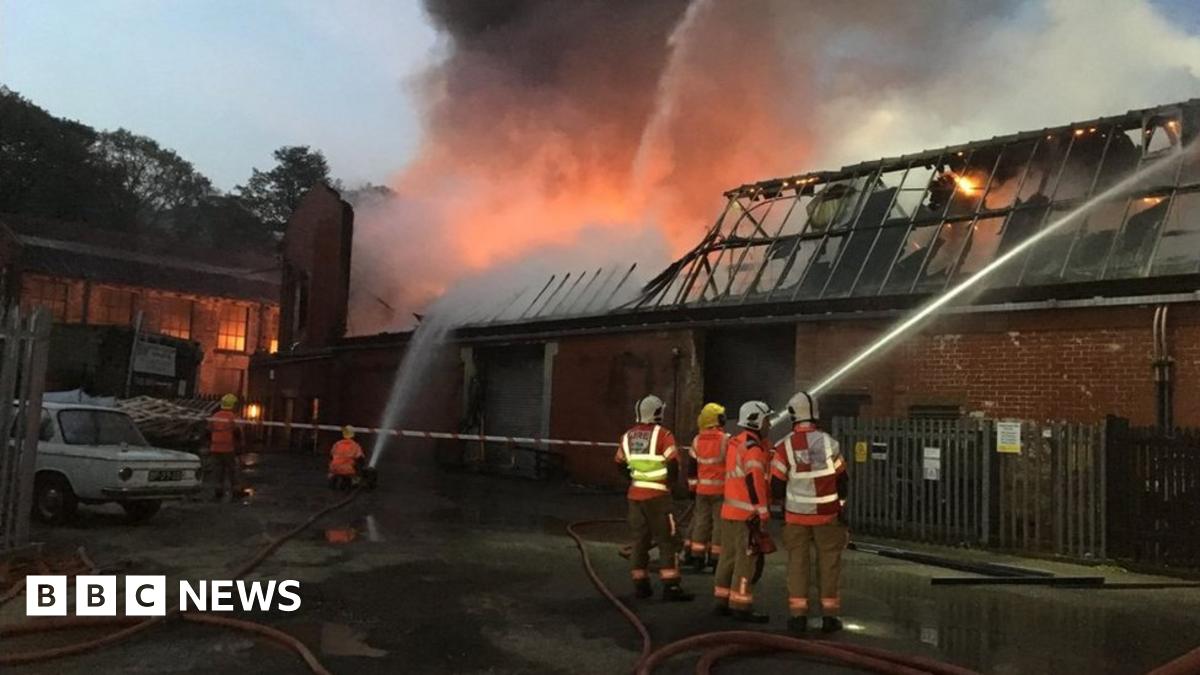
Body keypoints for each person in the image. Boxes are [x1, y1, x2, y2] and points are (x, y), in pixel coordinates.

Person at [770, 391, 849, 635]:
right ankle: (829, 617)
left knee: (797, 565)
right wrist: (841, 506)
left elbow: (776, 484)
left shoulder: (784, 447)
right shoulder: (830, 444)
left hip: (795, 518)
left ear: (792, 415)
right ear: (815, 413)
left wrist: (783, 504)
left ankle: (798, 617)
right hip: (827, 516)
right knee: (829, 564)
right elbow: (843, 480)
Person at [616, 394, 694, 602]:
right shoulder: (663, 434)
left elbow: (619, 463)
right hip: (658, 497)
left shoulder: (628, 436)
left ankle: (641, 585)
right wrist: (671, 484)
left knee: (640, 541)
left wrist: (634, 480)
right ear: (658, 413)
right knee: (668, 540)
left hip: (635, 495)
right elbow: (672, 463)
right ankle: (671, 587)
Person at [713, 400, 773, 623]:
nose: (770, 423)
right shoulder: (753, 449)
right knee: (746, 561)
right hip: (747, 516)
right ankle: (740, 605)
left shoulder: (736, 443)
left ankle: (721, 600)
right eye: (767, 419)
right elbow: (754, 481)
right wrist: (763, 511)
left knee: (727, 557)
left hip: (729, 512)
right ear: (756, 420)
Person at [685, 402, 729, 572]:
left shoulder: (697, 440)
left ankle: (697, 556)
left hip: (701, 490)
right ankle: (716, 558)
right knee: (719, 525)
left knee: (701, 523)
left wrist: (692, 488)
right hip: (721, 490)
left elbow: (691, 467)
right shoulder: (726, 440)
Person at [209, 393, 242, 502]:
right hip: (228, 448)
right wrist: (240, 445)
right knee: (232, 470)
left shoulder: (215, 416)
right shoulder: (233, 417)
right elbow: (237, 432)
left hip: (215, 448)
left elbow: (208, 430)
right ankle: (236, 491)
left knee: (218, 470)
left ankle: (218, 491)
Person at [329, 426, 366, 490]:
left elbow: (331, 455)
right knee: (355, 468)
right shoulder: (355, 445)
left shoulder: (337, 444)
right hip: (348, 470)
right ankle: (353, 480)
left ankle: (333, 478)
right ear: (353, 435)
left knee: (335, 470)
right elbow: (361, 458)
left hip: (334, 468)